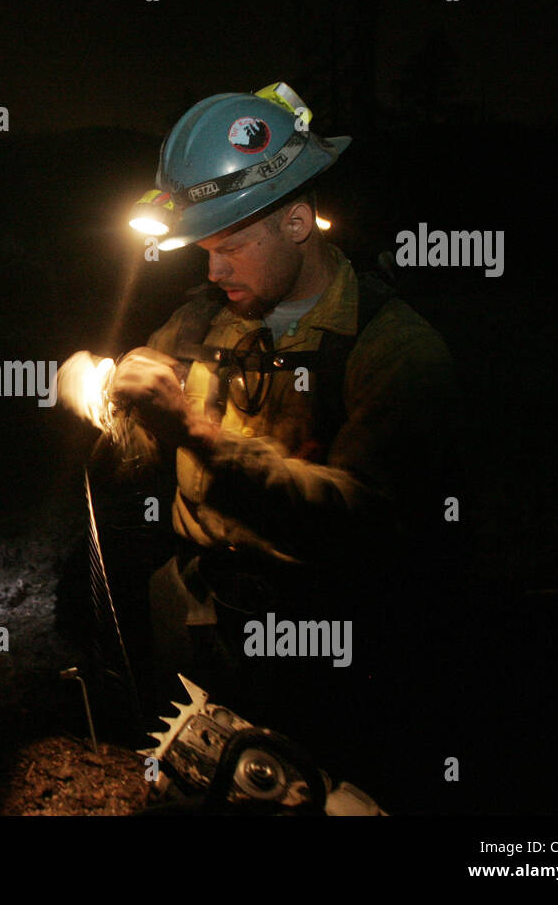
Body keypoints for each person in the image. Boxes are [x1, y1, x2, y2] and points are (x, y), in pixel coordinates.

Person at [113, 83, 463, 805]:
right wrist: (104, 402)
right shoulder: (195, 326)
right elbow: (136, 454)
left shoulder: (394, 350)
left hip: (324, 643)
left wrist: (196, 435)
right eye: (205, 249)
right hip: (197, 620)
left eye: (231, 246)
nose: (213, 272)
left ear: (299, 221)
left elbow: (359, 521)